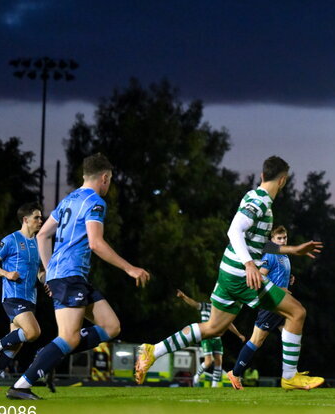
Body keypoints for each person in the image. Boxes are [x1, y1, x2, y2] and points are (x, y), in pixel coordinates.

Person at [135, 156, 324, 391]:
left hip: (228, 272)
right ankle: (289, 376)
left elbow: (257, 243)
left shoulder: (252, 196)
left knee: (213, 328)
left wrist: (291, 249)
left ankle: (154, 350)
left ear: (262, 175)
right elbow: (234, 230)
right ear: (283, 180)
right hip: (240, 275)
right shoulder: (261, 202)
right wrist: (249, 264)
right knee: (297, 312)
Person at [6, 153, 151, 400]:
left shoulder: (67, 201)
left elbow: (42, 236)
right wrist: (129, 268)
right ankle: (22, 385)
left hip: (68, 276)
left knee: (111, 326)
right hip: (70, 276)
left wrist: (49, 271)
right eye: (110, 180)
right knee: (69, 336)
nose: (109, 184)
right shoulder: (95, 202)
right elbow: (95, 243)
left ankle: (50, 352)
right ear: (104, 178)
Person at [226, 225, 300, 386]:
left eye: (284, 238)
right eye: (279, 238)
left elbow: (279, 274)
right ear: (272, 240)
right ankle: (235, 373)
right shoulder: (271, 255)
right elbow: (260, 277)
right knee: (256, 340)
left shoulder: (284, 255)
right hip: (271, 304)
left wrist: (290, 278)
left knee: (291, 333)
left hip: (280, 305)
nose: (282, 241)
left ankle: (291, 375)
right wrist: (279, 288)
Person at [0, 203, 44, 392]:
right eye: (37, 217)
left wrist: (46, 281)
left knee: (16, 345)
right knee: (33, 333)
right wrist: (6, 274)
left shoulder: (40, 243)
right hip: (13, 297)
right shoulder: (11, 240)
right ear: (25, 220)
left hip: (30, 298)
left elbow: (40, 271)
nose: (40, 221)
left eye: (41, 217)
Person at [174, 289, 246, 387]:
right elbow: (194, 304)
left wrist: (239, 334)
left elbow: (229, 324)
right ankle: (197, 376)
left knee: (219, 362)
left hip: (217, 338)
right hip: (207, 337)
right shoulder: (205, 306)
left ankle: (214, 385)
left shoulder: (221, 311)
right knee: (208, 361)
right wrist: (184, 297)